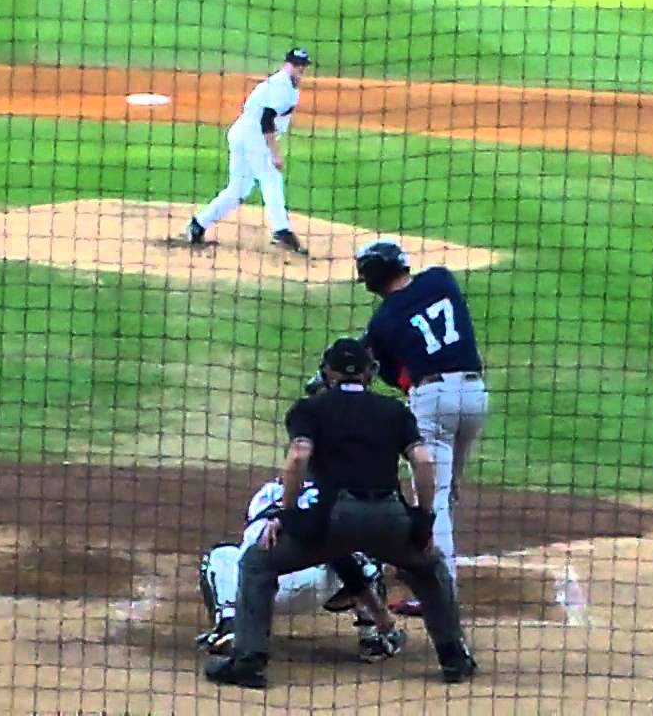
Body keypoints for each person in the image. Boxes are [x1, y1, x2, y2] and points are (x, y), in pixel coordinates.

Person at [203, 338, 476, 689]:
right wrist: (422, 519)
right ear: (368, 372)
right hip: (388, 516)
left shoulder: (310, 409)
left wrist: (287, 515)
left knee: (258, 563)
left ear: (327, 373)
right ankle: (454, 659)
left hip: (331, 520)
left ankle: (249, 661)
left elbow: (298, 458)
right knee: (428, 565)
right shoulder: (393, 410)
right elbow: (423, 462)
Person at [353, 239, 489, 617]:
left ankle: (440, 595)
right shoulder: (441, 280)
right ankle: (418, 559)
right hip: (476, 394)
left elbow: (393, 376)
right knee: (449, 486)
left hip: (433, 400)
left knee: (436, 496)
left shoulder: (381, 322)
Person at [196, 475, 406, 664]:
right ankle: (374, 637)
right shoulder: (331, 496)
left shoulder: (265, 493)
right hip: (314, 586)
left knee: (220, 555)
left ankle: (229, 624)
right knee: (358, 544)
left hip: (254, 590)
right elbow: (341, 557)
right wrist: (380, 613)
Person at [185, 48, 312, 255]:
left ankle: (198, 224)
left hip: (241, 133)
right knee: (271, 178)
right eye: (297, 64)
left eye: (303, 65)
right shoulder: (282, 87)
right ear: (287, 64)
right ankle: (282, 230)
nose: (301, 69)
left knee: (239, 189)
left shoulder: (284, 84)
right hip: (255, 137)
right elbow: (267, 120)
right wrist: (275, 153)